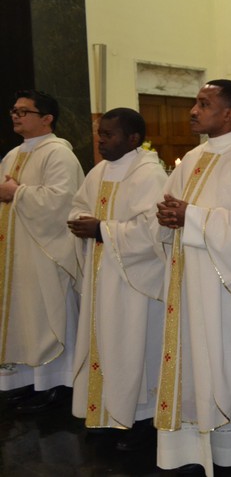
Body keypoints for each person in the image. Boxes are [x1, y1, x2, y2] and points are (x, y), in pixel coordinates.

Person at [152, 79, 231, 476]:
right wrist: (167, 217)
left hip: (227, 292)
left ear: (229, 114)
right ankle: (191, 449)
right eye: (195, 102)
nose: (193, 110)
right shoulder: (191, 158)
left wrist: (192, 217)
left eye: (204, 103)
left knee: (225, 370)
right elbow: (171, 208)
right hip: (191, 288)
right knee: (190, 365)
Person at [68, 108, 167, 449]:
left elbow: (153, 231)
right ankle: (103, 410)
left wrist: (102, 229)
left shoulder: (149, 175)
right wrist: (80, 221)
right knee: (103, 339)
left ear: (133, 138)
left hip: (132, 282)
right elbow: (78, 204)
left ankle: (136, 415)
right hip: (101, 275)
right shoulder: (98, 171)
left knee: (130, 343)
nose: (100, 141)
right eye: (100, 134)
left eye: (108, 135)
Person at [0, 90, 84, 411]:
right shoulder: (12, 155)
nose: (16, 115)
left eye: (24, 111)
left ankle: (57, 383)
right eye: (14, 110)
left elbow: (62, 201)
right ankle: (27, 380)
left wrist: (16, 192)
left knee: (46, 315)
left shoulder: (58, 154)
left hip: (46, 253)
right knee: (24, 317)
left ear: (46, 119)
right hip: (17, 254)